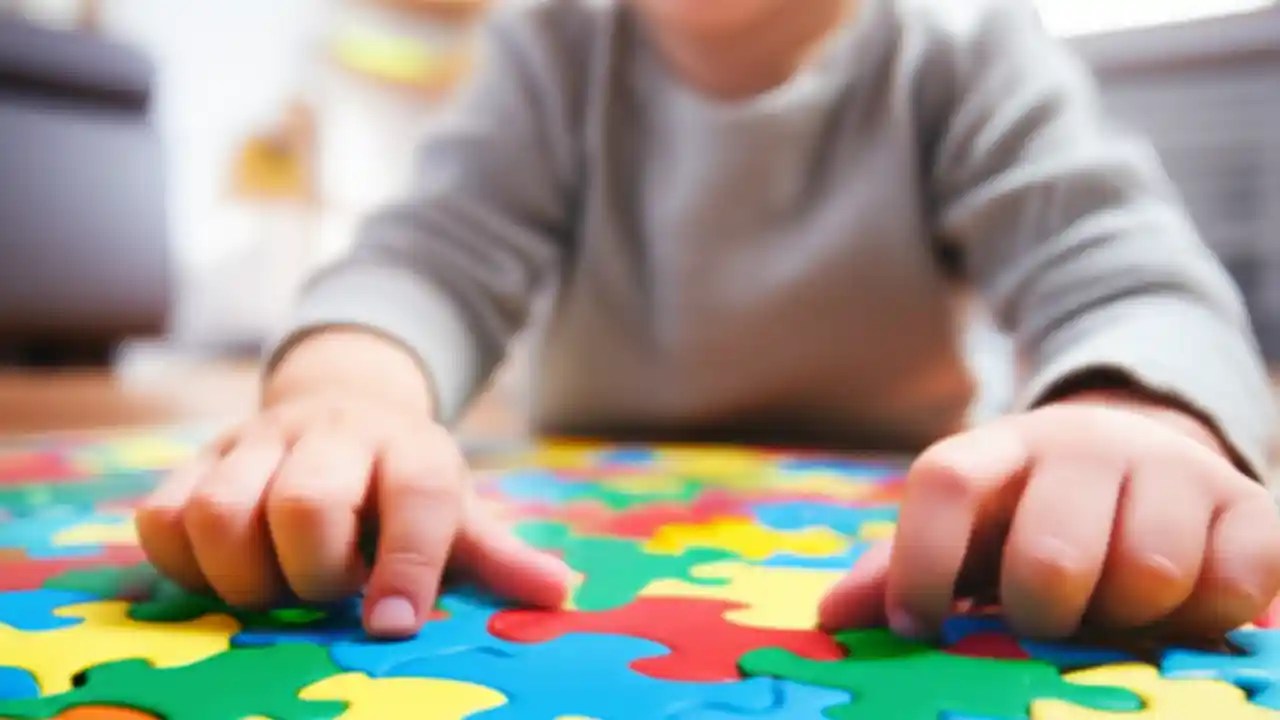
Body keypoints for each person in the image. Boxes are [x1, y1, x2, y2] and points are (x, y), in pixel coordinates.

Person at [136, 0, 1280, 642]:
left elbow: (1118, 269)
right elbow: (428, 258)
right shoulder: (548, 51)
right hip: (587, 540)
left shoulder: (966, 43)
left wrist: (1138, 417)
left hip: (887, 536)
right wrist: (342, 396)